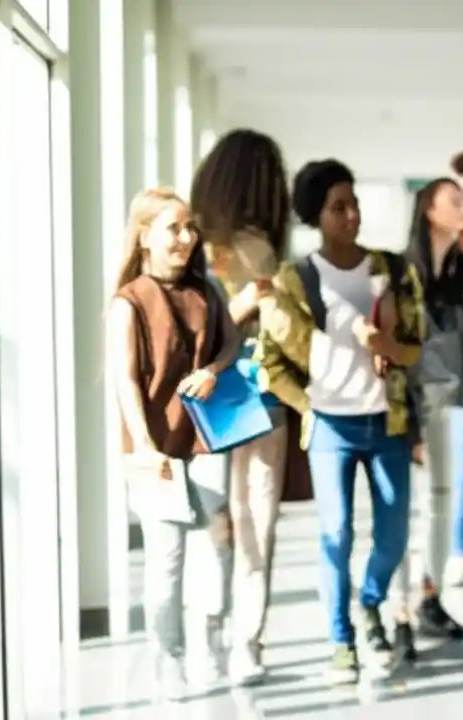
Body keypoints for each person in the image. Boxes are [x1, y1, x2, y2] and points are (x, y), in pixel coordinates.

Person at [257, 159, 425, 685]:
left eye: (354, 203)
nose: (352, 215)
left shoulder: (391, 269)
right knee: (335, 533)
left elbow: (415, 351)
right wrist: (309, 405)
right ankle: (341, 638)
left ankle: (371, 601)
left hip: (387, 421)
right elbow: (271, 364)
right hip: (330, 426)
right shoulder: (296, 279)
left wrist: (388, 347)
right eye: (338, 207)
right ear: (316, 215)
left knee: (394, 533)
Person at [106, 187, 240, 697]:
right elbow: (126, 381)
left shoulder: (207, 292)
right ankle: (168, 656)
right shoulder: (130, 303)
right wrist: (144, 446)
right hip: (155, 449)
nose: (186, 238)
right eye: (174, 228)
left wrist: (211, 370)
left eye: (190, 228)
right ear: (145, 236)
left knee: (220, 543)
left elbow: (232, 343)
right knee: (166, 560)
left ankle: (212, 633)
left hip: (204, 442)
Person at [189, 128, 292, 686]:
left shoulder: (196, 239)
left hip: (223, 400)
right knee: (248, 523)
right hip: (241, 398)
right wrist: (251, 300)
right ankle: (240, 642)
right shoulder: (211, 246)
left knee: (228, 524)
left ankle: (222, 638)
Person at [400, 177, 463, 637]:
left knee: (440, 503)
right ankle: (400, 606)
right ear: (429, 208)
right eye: (454, 200)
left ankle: (429, 596)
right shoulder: (402, 271)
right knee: (406, 509)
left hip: (452, 405)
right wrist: (408, 425)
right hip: (409, 408)